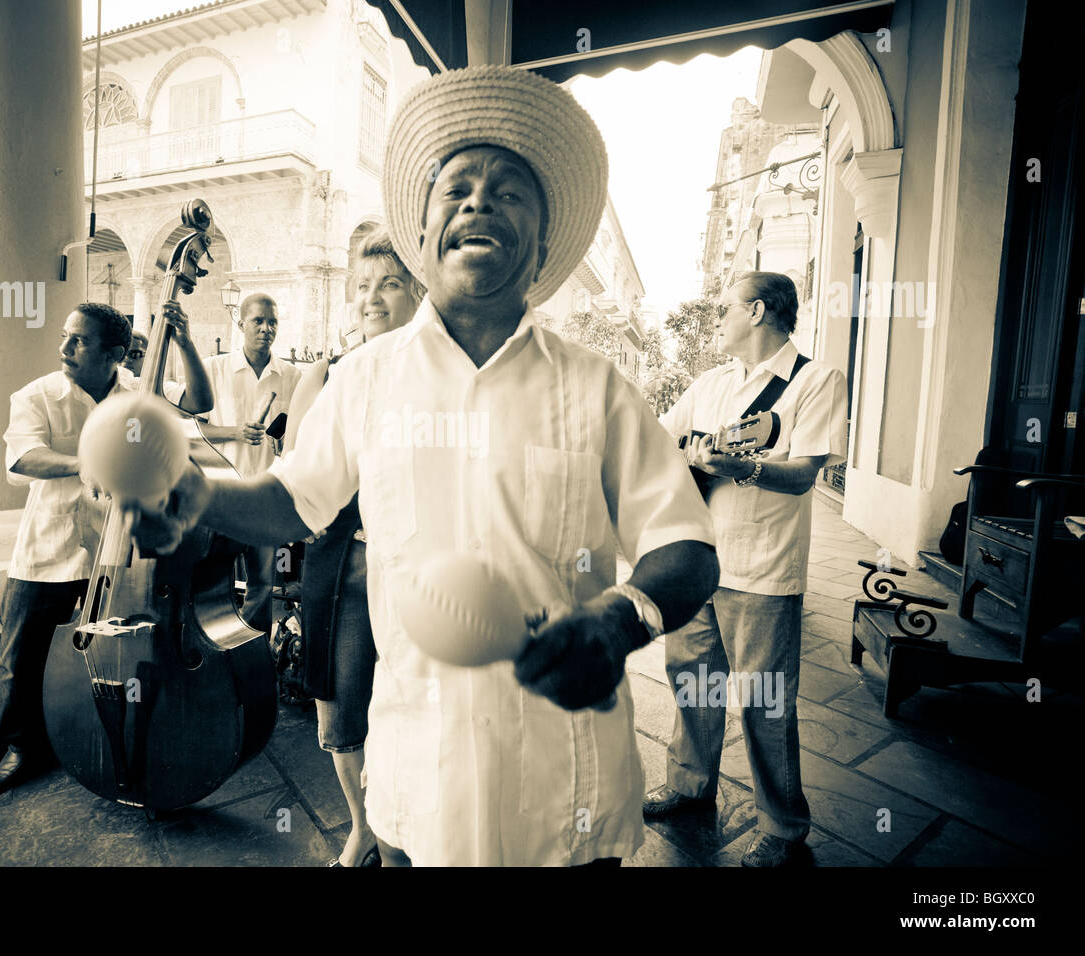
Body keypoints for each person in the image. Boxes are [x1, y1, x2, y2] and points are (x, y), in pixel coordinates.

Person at [130, 66, 719, 866]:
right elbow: (293, 500)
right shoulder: (364, 379)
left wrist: (622, 619)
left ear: (541, 245)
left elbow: (686, 545)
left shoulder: (596, 388)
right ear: (424, 231)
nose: (480, 201)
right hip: (420, 772)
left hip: (566, 784)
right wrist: (199, 494)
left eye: (510, 192)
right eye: (459, 189)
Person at [648, 271, 848, 867]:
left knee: (764, 701)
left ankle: (784, 827)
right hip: (695, 561)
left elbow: (805, 472)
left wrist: (746, 469)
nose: (715, 319)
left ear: (757, 311)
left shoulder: (815, 381)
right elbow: (659, 444)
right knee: (692, 680)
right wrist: (686, 457)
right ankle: (689, 784)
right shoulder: (709, 383)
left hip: (762, 566)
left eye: (723, 309)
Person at [0, 300, 202, 797]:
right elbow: (23, 457)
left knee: (112, 652)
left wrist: (185, 341)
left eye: (78, 341)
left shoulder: (138, 393)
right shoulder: (37, 394)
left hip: (119, 557)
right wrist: (85, 462)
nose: (64, 348)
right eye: (66, 336)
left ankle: (89, 737)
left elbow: (199, 402)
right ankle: (20, 748)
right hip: (48, 548)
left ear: (116, 355)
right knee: (20, 656)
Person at [282, 229, 424, 867]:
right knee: (338, 707)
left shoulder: (439, 376)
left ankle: (406, 833)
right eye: (362, 287)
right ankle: (363, 827)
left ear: (418, 292)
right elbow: (299, 479)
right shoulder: (326, 376)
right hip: (340, 566)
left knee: (414, 707)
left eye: (389, 284)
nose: (373, 299)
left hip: (414, 573)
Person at [195, 293, 300, 632]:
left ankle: (252, 655)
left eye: (272, 322)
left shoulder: (291, 375)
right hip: (223, 493)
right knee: (213, 585)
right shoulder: (214, 368)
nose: (266, 329)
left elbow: (298, 432)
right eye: (258, 321)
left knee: (263, 586)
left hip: (265, 495)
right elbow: (193, 429)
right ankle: (216, 652)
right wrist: (234, 433)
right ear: (241, 324)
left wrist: (284, 440)